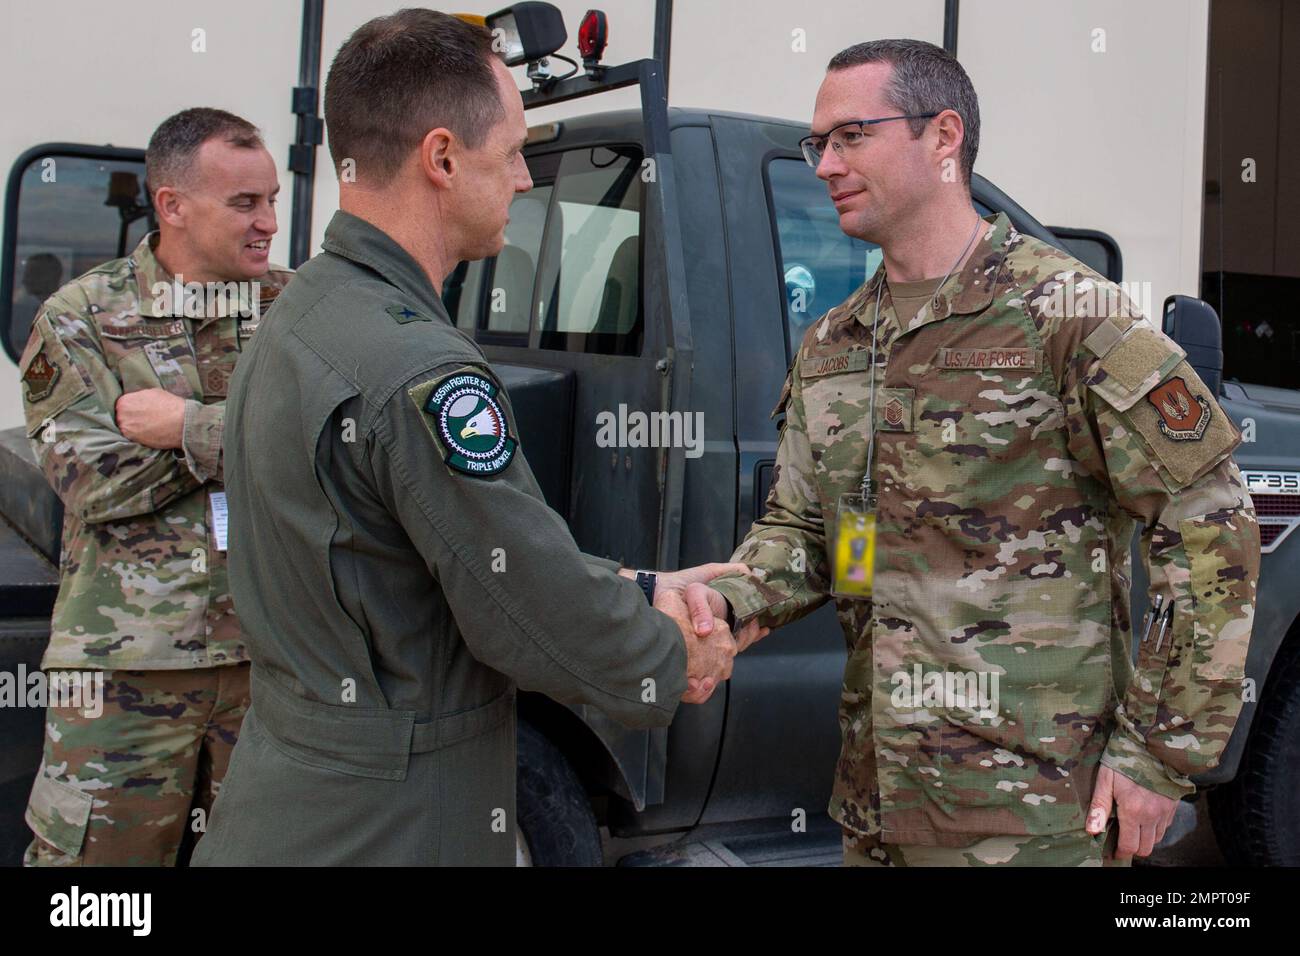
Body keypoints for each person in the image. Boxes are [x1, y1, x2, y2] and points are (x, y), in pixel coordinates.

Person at [191, 10, 751, 867]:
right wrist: (675, 653)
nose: (525, 179)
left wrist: (640, 581)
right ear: (443, 158)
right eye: (515, 152)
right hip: (391, 825)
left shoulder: (304, 309)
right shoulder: (420, 365)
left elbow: (429, 559)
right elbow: (528, 611)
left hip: (292, 798)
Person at [708, 39, 1260, 867]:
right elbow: (815, 534)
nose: (824, 163)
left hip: (1036, 818)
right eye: (817, 143)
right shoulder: (835, 342)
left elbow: (1209, 523)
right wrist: (724, 608)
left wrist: (1159, 755)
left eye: (851, 135)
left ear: (943, 137)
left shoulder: (1066, 314)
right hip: (879, 806)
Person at [16, 107, 290, 865]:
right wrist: (253, 442)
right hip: (125, 676)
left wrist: (185, 428)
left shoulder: (295, 309)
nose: (268, 221)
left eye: (271, 199)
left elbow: (337, 454)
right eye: (244, 203)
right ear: (172, 205)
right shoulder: (82, 319)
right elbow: (93, 482)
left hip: (269, 673)